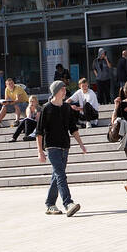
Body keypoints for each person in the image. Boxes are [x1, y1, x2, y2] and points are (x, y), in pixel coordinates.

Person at [35, 80, 87, 216]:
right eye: (62, 89)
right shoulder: (46, 108)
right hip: (52, 147)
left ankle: (50, 204)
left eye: (65, 89)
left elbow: (73, 128)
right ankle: (68, 203)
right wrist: (40, 151)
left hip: (65, 146)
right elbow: (39, 132)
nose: (65, 91)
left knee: (57, 175)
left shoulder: (66, 108)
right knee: (61, 175)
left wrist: (81, 144)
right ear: (56, 91)